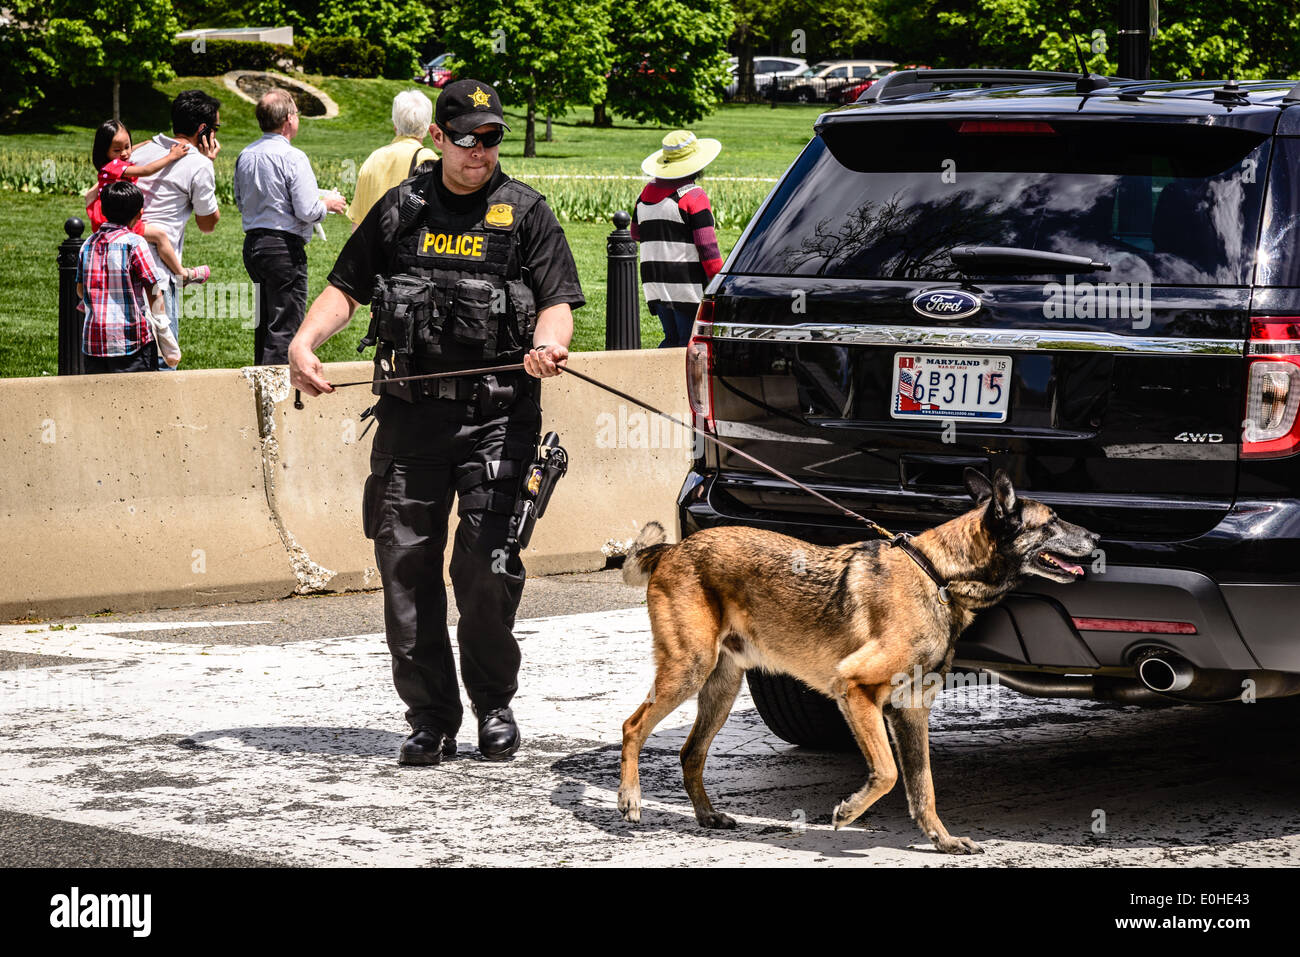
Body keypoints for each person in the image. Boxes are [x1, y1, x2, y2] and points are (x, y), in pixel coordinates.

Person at [287, 79, 584, 767]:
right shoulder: (402, 209)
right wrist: (304, 343)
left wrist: (549, 342)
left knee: (486, 566)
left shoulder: (526, 213)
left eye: (493, 138)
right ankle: (430, 716)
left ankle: (494, 703)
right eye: (469, 138)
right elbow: (346, 286)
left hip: (498, 417)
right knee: (406, 566)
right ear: (439, 139)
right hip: (412, 420)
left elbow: (558, 301)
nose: (482, 151)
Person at [235, 89, 348, 366]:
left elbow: (240, 200)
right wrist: (329, 204)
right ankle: (277, 395)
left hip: (253, 246)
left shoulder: (245, 154)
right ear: (288, 119)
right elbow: (307, 210)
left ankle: (260, 392)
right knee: (285, 325)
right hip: (284, 249)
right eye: (296, 113)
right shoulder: (293, 157)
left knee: (264, 323)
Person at [131, 89, 222, 367]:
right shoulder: (198, 164)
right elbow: (207, 224)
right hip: (157, 273)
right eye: (215, 128)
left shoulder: (140, 151)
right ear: (203, 130)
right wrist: (207, 164)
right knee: (162, 361)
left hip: (119, 262)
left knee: (126, 360)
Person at [84, 120, 211, 286]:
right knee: (160, 236)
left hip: (109, 218)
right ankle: (182, 274)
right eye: (117, 150)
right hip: (120, 220)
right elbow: (146, 170)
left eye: (127, 146)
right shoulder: (115, 167)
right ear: (104, 151)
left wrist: (142, 145)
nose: (124, 153)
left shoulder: (110, 165)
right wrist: (171, 156)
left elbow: (125, 153)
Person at [76, 181, 183, 373]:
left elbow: (80, 289)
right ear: (139, 214)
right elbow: (153, 289)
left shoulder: (88, 244)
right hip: (132, 341)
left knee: (100, 398)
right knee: (138, 398)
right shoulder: (135, 243)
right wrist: (164, 330)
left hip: (94, 343)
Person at [631, 129, 724, 347]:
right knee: (688, 343)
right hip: (687, 286)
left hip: (656, 283)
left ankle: (658, 379)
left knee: (671, 339)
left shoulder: (645, 194)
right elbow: (708, 249)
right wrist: (719, 282)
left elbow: (636, 233)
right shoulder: (693, 196)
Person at [347, 89, 439, 230]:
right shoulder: (427, 158)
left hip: (373, 247)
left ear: (395, 123)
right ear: (427, 126)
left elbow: (357, 223)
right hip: (404, 248)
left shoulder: (373, 158)